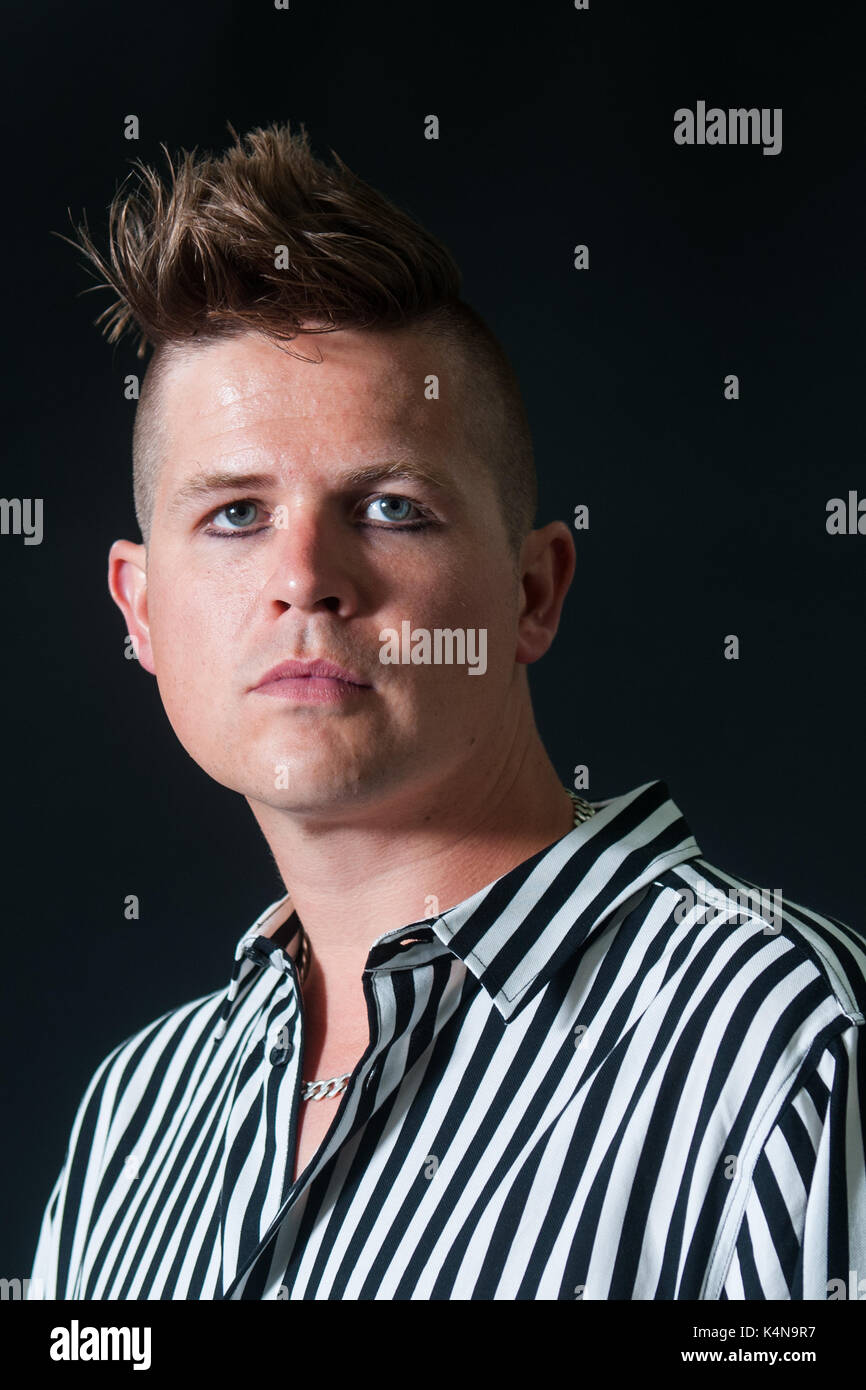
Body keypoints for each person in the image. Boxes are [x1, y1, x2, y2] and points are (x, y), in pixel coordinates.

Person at [30, 121, 866, 1301]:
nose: (305, 575)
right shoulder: (134, 1115)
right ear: (143, 608)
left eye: (390, 508)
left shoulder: (784, 1048)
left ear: (532, 592)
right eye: (233, 514)